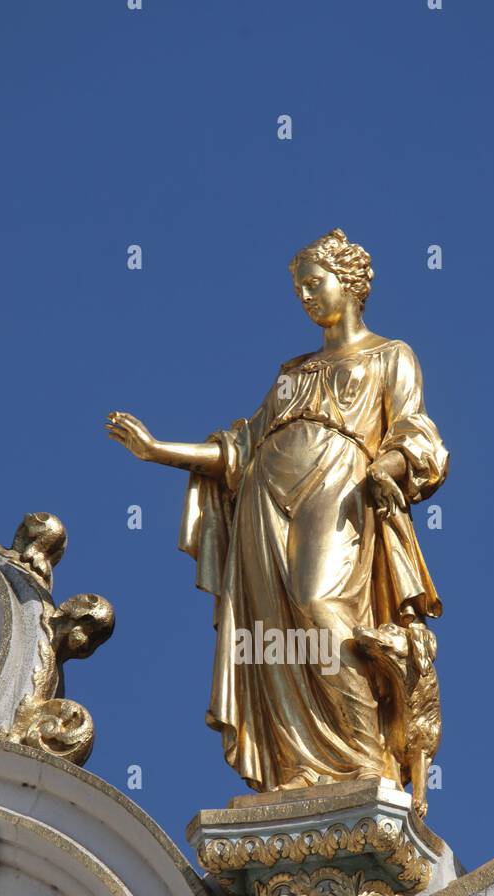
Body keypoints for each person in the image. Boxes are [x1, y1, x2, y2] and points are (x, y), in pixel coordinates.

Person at [107, 229, 449, 796]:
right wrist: (157, 449)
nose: (307, 298)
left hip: (340, 486)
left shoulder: (391, 356)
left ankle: (365, 761)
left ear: (350, 282)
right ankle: (299, 768)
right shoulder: (292, 372)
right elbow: (240, 448)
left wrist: (390, 465)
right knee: (272, 634)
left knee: (321, 607)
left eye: (315, 284)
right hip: (263, 499)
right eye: (299, 290)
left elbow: (416, 431)